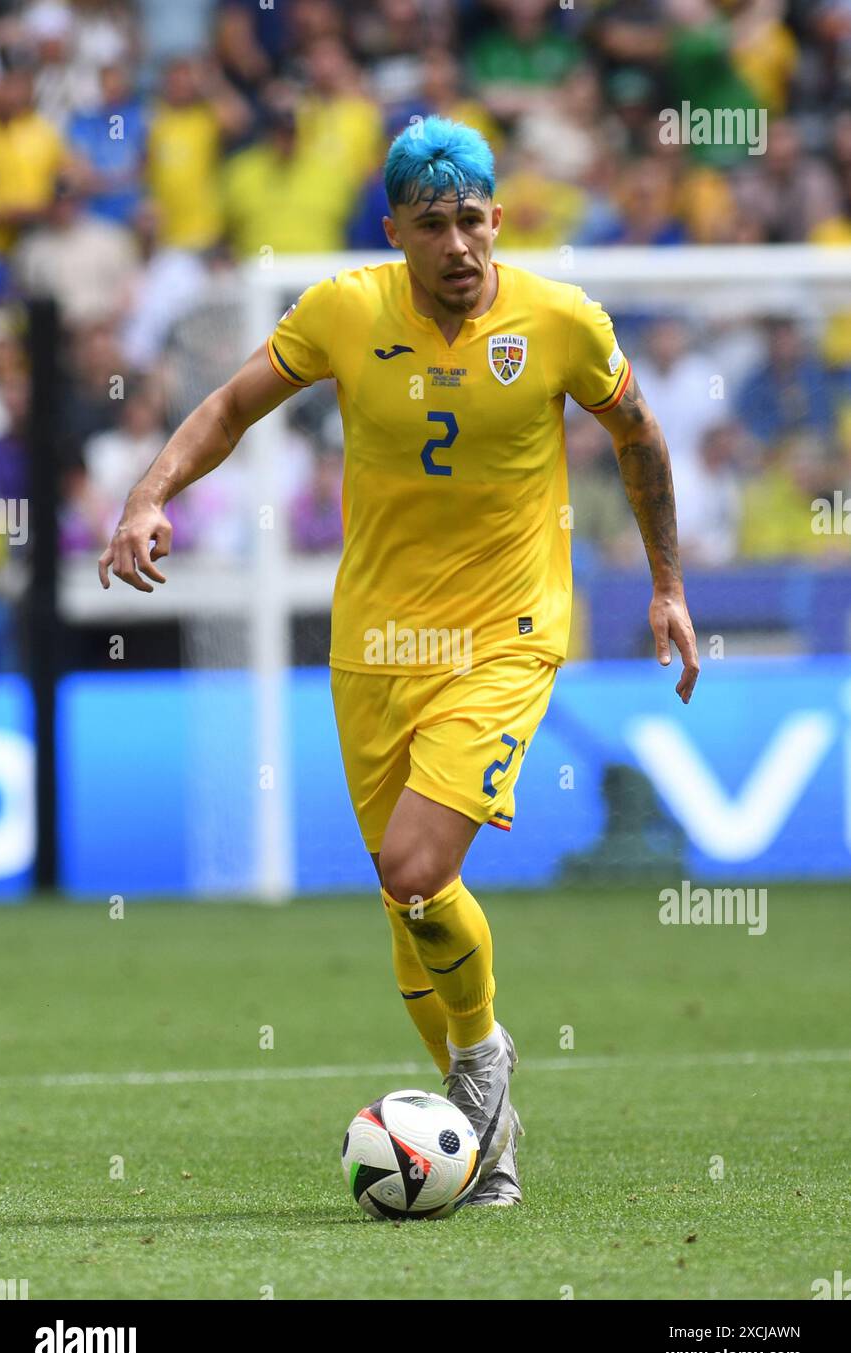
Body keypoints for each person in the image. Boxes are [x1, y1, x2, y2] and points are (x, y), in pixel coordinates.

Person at [98, 117, 699, 1210]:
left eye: (474, 220)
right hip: (373, 647)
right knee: (408, 905)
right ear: (396, 232)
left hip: (506, 635)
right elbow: (233, 406)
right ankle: (490, 1141)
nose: (459, 244)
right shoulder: (342, 311)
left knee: (416, 866)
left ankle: (479, 1064)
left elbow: (641, 437)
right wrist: (147, 496)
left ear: (498, 221)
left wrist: (664, 584)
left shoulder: (559, 323)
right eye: (434, 225)